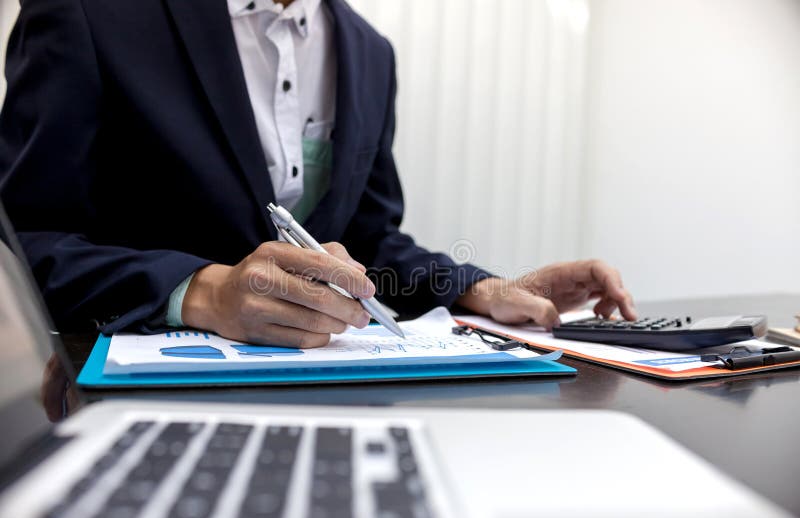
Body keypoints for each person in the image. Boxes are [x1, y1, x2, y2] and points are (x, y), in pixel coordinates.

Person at [0, 0, 636, 347]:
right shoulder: (85, 12)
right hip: (132, 409)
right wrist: (203, 292)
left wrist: (481, 287)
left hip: (329, 394)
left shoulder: (368, 53)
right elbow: (25, 244)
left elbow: (371, 240)